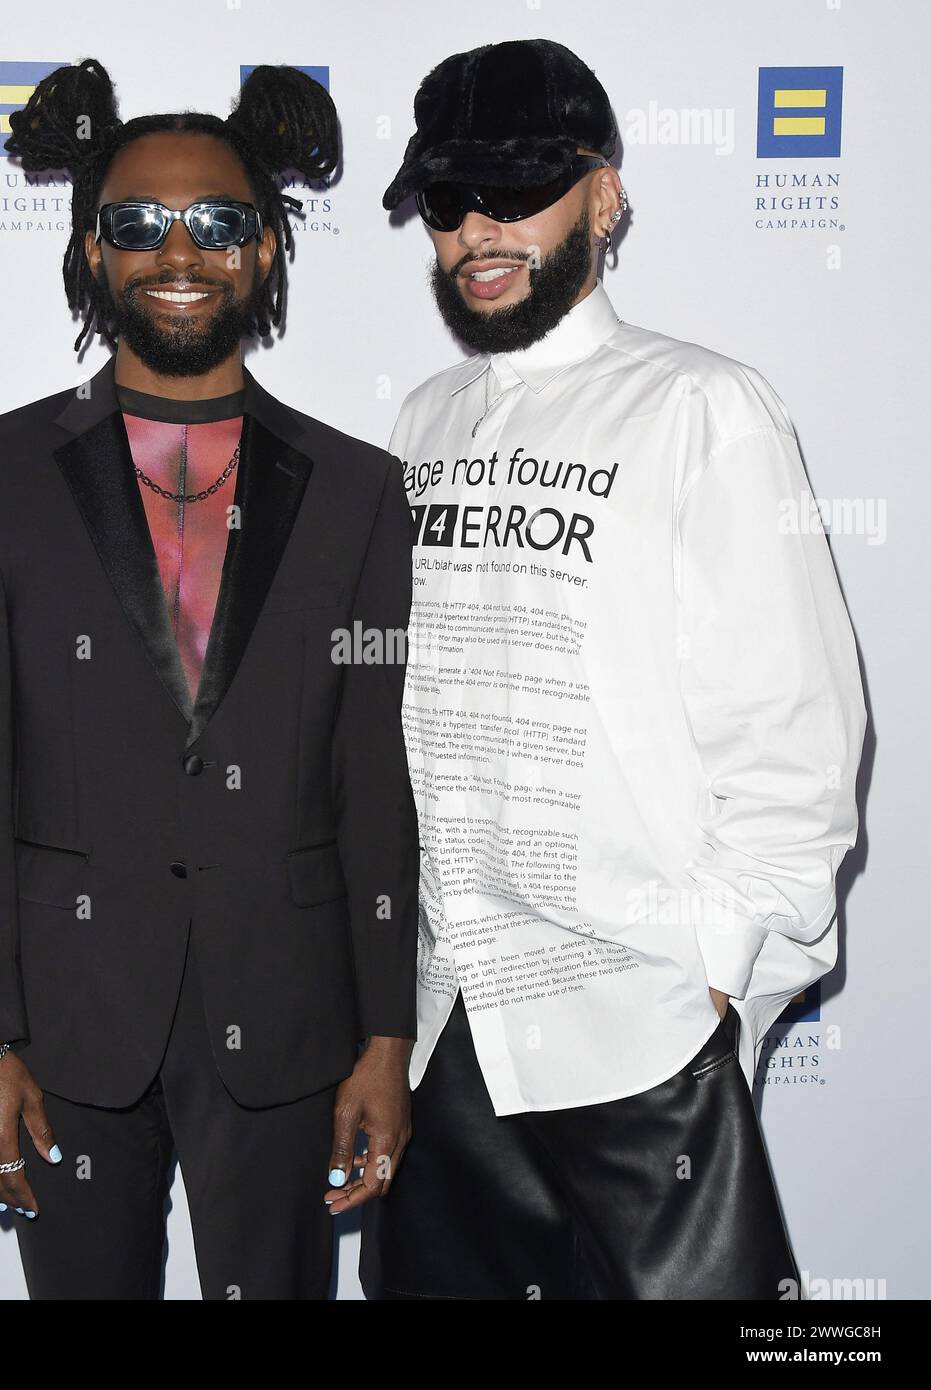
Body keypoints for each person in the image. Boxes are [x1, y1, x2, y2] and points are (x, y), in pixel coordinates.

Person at [356, 37, 866, 1300]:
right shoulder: (417, 421)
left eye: (517, 186)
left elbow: (795, 740)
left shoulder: (704, 406)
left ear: (604, 191)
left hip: (637, 1036)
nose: (477, 225)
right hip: (447, 1039)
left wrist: (715, 994)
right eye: (446, 197)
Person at [0, 58, 417, 1300]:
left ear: (265, 254)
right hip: (64, 1025)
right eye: (136, 224)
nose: (175, 252)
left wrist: (385, 1038)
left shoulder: (356, 490)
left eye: (218, 222)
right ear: (92, 252)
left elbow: (371, 777)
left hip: (292, 1021)